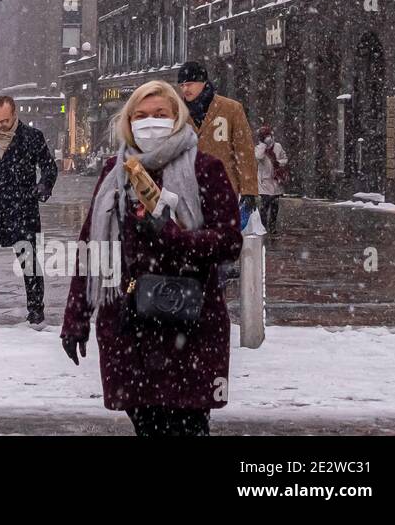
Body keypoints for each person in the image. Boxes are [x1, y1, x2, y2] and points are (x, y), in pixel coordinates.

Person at [61, 79, 242, 437]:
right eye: (141, 115)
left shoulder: (206, 169)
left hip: (188, 324)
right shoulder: (115, 174)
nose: (150, 121)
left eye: (160, 114)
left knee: (188, 427)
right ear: (128, 123)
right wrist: (76, 319)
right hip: (128, 328)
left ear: (177, 117)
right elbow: (91, 248)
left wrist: (173, 237)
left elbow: (229, 242)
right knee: (147, 427)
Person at [0, 95, 57, 324]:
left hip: (23, 211)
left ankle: (36, 311)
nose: (0, 126)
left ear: (15, 115)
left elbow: (49, 168)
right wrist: (19, 185)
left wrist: (43, 186)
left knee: (29, 263)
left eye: (5, 121)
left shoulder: (32, 137)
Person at [178, 61, 259, 228]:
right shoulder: (177, 113)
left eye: (190, 84)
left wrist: (249, 190)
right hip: (186, 191)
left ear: (204, 83)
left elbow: (244, 150)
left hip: (223, 188)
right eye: (182, 85)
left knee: (220, 243)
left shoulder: (231, 109)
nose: (185, 89)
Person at [254, 125, 288, 233]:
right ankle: (263, 226)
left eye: (268, 135)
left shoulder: (278, 146)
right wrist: (264, 146)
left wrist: (280, 163)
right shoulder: (259, 148)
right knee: (264, 206)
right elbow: (258, 157)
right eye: (265, 136)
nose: (268, 138)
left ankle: (272, 227)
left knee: (275, 206)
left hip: (276, 180)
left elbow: (285, 158)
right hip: (264, 182)